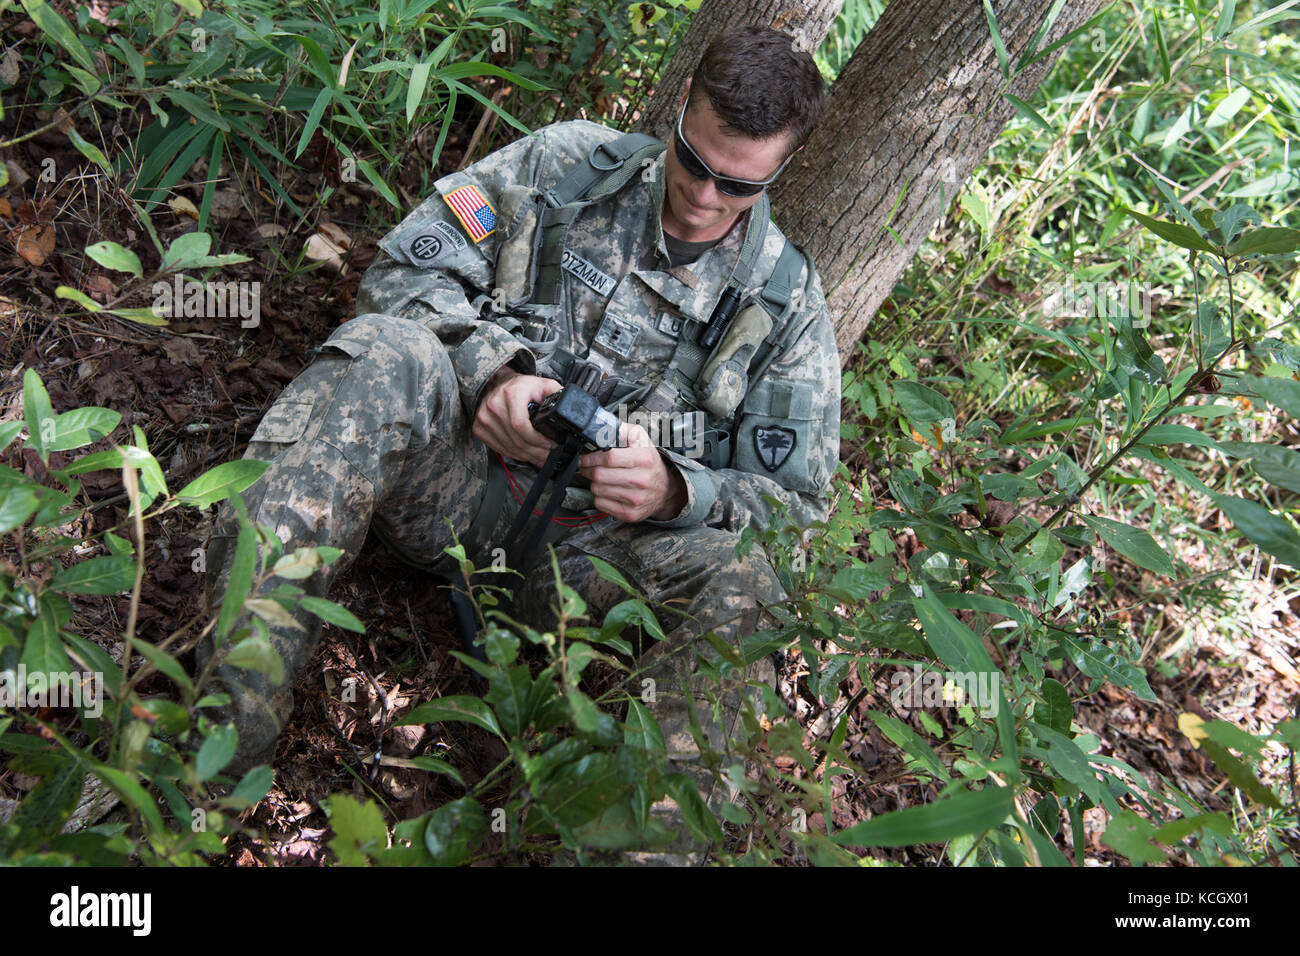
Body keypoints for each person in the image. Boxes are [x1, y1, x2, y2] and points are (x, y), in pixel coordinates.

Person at [201, 24, 840, 856]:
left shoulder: (785, 307)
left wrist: (680, 491)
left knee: (748, 591)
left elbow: (799, 515)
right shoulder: (565, 165)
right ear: (682, 107)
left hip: (588, 571)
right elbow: (402, 272)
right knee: (387, 354)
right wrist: (490, 373)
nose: (706, 197)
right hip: (450, 482)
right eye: (695, 160)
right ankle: (206, 765)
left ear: (780, 171)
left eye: (739, 185)